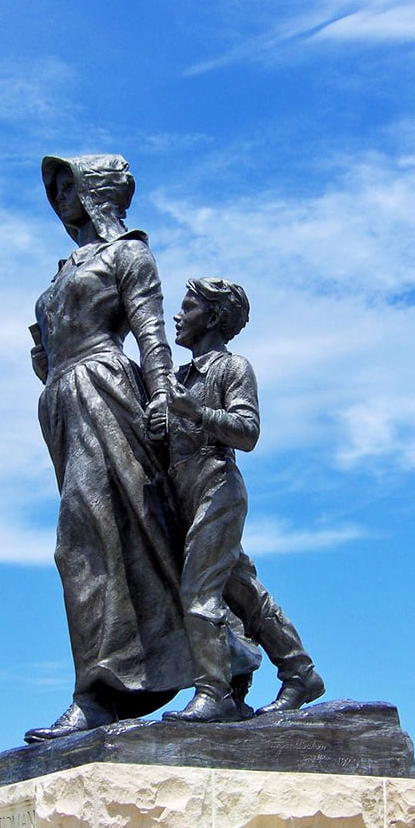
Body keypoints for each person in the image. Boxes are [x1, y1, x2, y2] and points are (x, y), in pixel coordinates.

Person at [25, 154, 194, 742]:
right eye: (57, 186)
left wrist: (165, 399)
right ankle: (120, 679)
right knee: (97, 539)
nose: (61, 194)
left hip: (105, 388)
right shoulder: (60, 271)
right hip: (63, 402)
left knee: (92, 538)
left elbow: (151, 333)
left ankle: (99, 692)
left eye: (71, 181)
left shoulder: (128, 254)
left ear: (97, 188)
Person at [150, 277, 324, 722]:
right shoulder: (181, 377)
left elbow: (248, 432)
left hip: (217, 486)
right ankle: (300, 671)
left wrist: (194, 412)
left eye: (187, 307)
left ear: (212, 316)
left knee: (199, 593)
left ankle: (214, 693)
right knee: (243, 591)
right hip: (184, 493)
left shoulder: (232, 368)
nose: (177, 315)